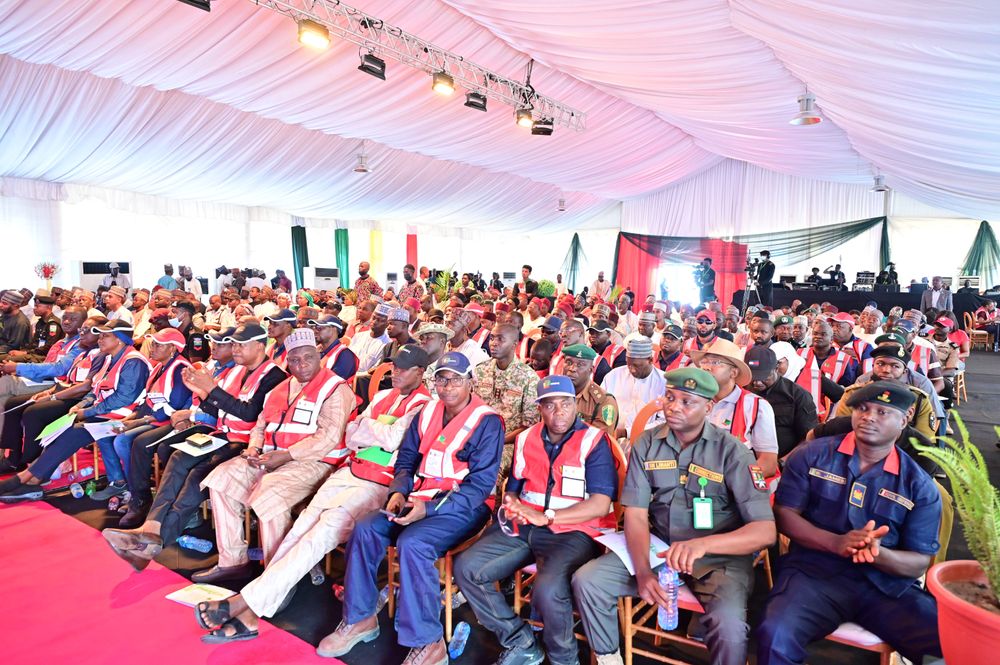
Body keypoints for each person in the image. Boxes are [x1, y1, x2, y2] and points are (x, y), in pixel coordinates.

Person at [191, 344, 432, 645]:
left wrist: (370, 430)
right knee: (299, 531)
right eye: (393, 366)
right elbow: (353, 434)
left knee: (319, 535)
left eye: (402, 368)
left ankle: (245, 605)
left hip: (380, 484)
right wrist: (374, 431)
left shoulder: (424, 404)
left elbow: (392, 438)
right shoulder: (384, 396)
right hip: (350, 470)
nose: (394, 372)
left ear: (420, 373)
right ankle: (252, 607)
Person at [573, 367, 776, 665]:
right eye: (670, 397)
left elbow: (764, 532)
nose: (673, 406)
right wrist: (642, 571)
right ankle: (608, 658)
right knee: (588, 580)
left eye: (686, 401)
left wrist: (703, 546)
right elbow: (637, 514)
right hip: (660, 546)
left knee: (729, 628)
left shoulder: (733, 453)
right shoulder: (647, 443)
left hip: (717, 557)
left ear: (708, 407)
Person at [318, 352, 503, 663]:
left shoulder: (487, 421)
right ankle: (360, 618)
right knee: (365, 527)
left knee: (413, 542)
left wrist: (427, 510)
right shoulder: (428, 411)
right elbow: (405, 461)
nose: (446, 387)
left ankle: (429, 642)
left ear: (471, 382)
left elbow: (479, 487)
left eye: (455, 379)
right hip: (416, 497)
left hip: (463, 507)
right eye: (441, 379)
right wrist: (398, 493)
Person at [755, 382, 943, 665]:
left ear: (904, 420)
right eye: (863, 408)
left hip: (884, 587)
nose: (869, 417)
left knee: (948, 641)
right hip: (813, 575)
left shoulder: (919, 485)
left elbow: (918, 562)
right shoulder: (812, 455)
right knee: (774, 634)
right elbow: (784, 515)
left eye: (882, 412)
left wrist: (878, 553)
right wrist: (836, 542)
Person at [456, 375, 618, 665]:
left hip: (574, 532)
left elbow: (600, 504)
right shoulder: (526, 438)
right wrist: (512, 504)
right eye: (550, 405)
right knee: (467, 568)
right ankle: (520, 640)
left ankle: (563, 659)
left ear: (575, 405)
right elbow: (513, 489)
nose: (559, 413)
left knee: (547, 589)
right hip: (525, 527)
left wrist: (548, 517)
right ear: (540, 408)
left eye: (565, 404)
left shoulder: (593, 441)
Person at [101, 323, 286, 569]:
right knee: (178, 457)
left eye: (241, 344)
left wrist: (211, 390)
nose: (235, 349)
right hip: (222, 434)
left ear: (260, 346)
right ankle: (151, 526)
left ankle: (154, 542)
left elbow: (249, 413)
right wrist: (202, 396)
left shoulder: (275, 376)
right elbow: (218, 406)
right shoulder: (238, 372)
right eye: (234, 343)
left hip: (246, 443)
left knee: (197, 475)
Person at [191, 328, 356, 588]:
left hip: (315, 464)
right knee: (221, 477)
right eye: (294, 359)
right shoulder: (280, 387)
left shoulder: (335, 388)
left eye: (307, 358)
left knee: (270, 491)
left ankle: (275, 579)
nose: (301, 365)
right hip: (270, 457)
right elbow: (260, 425)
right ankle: (232, 561)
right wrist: (254, 448)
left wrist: (287, 455)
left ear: (318, 356)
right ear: (287, 361)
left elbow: (328, 439)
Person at [0, 320, 152, 502]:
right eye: (100, 335)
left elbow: (123, 399)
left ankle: (26, 478)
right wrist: (81, 405)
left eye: (106, 336)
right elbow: (96, 391)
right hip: (105, 413)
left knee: (74, 432)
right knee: (61, 430)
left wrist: (87, 412)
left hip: (126, 416)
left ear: (119, 339)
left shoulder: (133, 361)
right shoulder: (109, 358)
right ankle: (33, 480)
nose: (100, 339)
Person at [119, 327, 237, 527]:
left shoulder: (234, 372)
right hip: (188, 419)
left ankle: (168, 506)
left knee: (147, 444)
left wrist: (188, 415)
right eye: (214, 342)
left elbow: (221, 410)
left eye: (221, 343)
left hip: (211, 426)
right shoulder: (211, 365)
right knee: (132, 441)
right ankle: (142, 498)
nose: (214, 347)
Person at [96, 328, 193, 500]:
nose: (152, 348)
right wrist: (131, 418)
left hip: (169, 423)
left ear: (172, 348)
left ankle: (137, 494)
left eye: (158, 345)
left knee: (122, 441)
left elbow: (172, 408)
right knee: (104, 434)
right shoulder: (158, 368)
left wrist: (137, 422)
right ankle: (120, 483)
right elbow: (145, 401)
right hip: (150, 418)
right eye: (152, 344)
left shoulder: (181, 369)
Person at [692, 338, 779, 478]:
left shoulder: (756, 406)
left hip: (733, 483)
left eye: (715, 362)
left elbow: (768, 463)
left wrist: (733, 481)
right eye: (704, 362)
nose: (706, 367)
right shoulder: (691, 400)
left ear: (733, 373)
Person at [833, 345, 938, 441]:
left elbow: (924, 441)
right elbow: (841, 432)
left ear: (905, 371)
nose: (886, 370)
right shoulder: (854, 393)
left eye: (895, 366)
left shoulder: (919, 399)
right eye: (880, 364)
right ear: (873, 366)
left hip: (903, 455)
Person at [746, 346, 817, 458]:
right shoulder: (742, 391)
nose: (757, 383)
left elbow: (808, 438)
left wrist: (783, 462)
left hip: (785, 460)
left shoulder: (798, 395)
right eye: (753, 377)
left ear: (776, 368)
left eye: (764, 377)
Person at [600, 338, 666, 441]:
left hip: (646, 441)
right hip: (611, 439)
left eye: (637, 365)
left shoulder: (664, 382)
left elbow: (663, 421)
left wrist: (627, 432)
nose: (632, 369)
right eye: (628, 364)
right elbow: (601, 405)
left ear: (650, 360)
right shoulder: (613, 376)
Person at [796, 320, 855, 421]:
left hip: (831, 412)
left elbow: (846, 389)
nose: (818, 336)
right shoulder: (800, 354)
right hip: (800, 407)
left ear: (831, 339)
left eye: (823, 334)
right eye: (815, 333)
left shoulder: (843, 359)